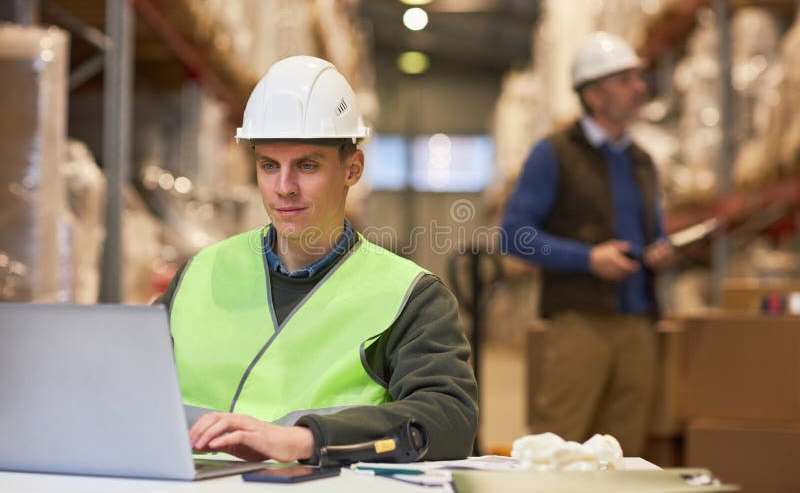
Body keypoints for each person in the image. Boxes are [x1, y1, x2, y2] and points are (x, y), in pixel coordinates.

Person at [156, 56, 478, 464]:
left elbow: (449, 421)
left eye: (307, 166)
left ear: (353, 169)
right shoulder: (198, 274)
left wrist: (307, 441)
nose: (284, 188)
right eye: (268, 166)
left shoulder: (410, 297)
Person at [501, 32, 676, 455]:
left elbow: (653, 228)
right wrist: (588, 259)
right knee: (559, 445)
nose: (639, 88)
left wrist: (663, 248)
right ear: (595, 95)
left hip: (639, 324)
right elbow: (514, 235)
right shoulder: (555, 155)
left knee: (624, 451)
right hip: (580, 323)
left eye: (638, 77)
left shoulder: (642, 161)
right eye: (626, 79)